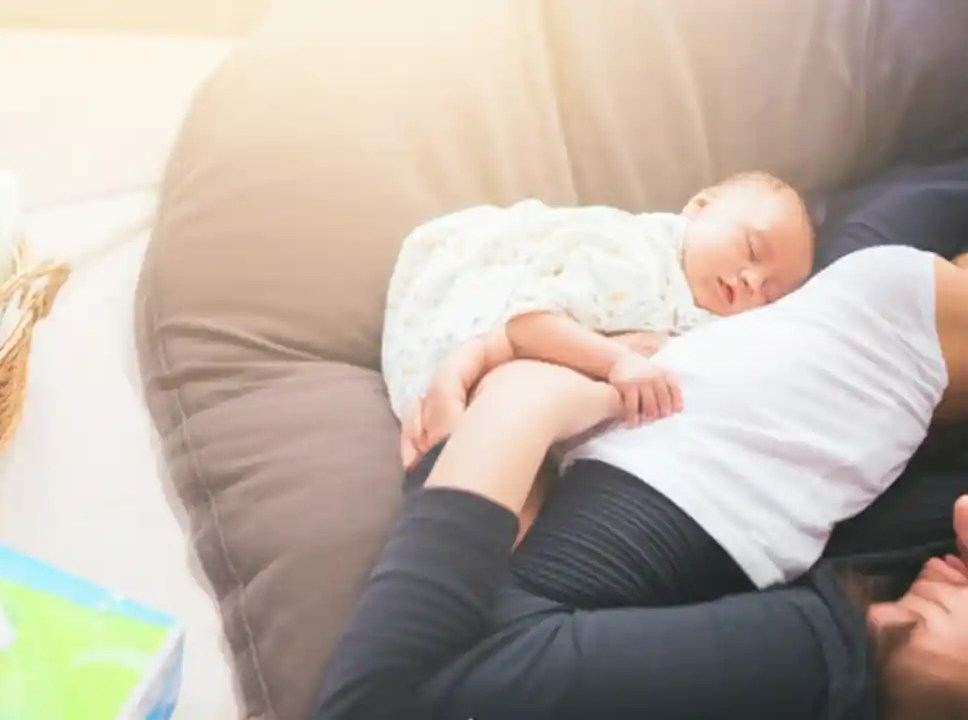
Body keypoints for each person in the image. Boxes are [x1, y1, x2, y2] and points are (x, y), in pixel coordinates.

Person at [313, 162, 968, 719]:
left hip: (594, 444)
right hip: (644, 434)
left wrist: (531, 394)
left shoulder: (838, 648)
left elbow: (380, 695)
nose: (751, 283)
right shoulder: (842, 649)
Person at [381, 172, 815, 467]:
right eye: (752, 250)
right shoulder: (633, 256)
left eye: (771, 292)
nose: (752, 279)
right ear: (700, 208)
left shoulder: (719, 326)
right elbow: (527, 323)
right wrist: (616, 361)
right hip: (498, 326)